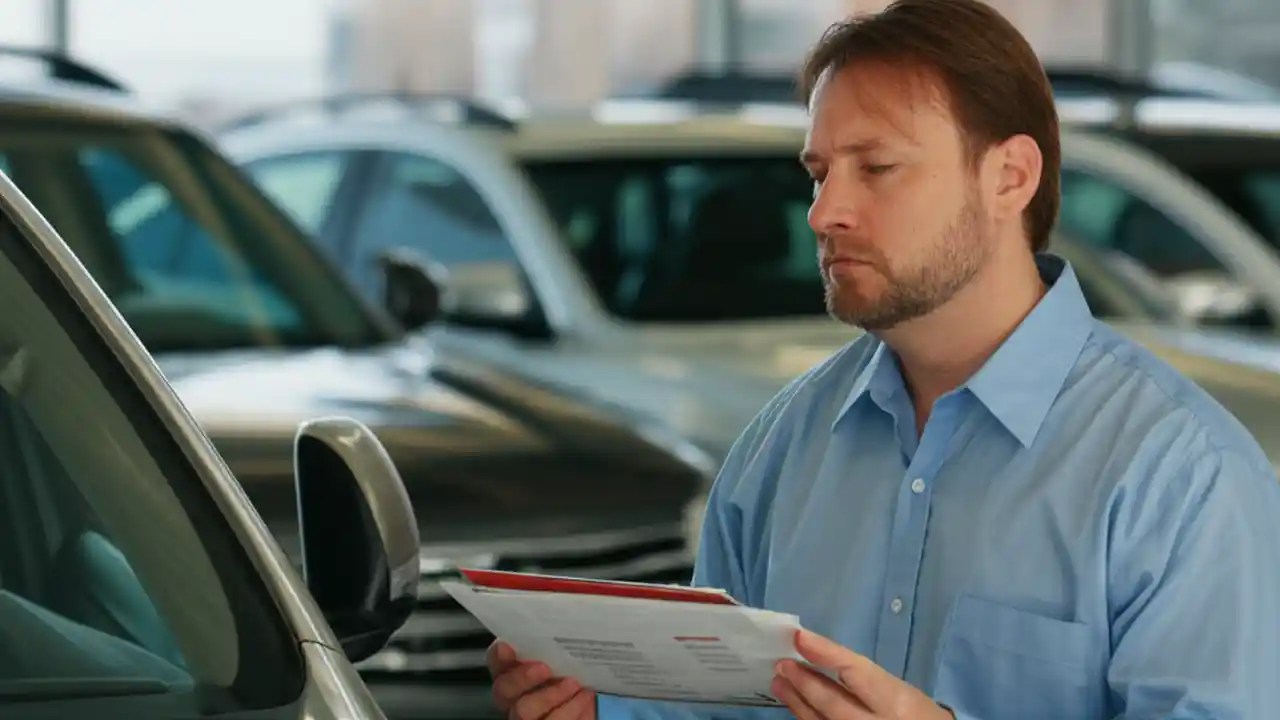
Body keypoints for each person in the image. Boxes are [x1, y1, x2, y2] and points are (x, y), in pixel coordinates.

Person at [486, 1, 1280, 717]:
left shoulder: (1182, 475)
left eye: (878, 168)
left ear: (1010, 177)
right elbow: (721, 704)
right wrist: (603, 709)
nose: (826, 212)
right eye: (820, 173)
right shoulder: (783, 445)